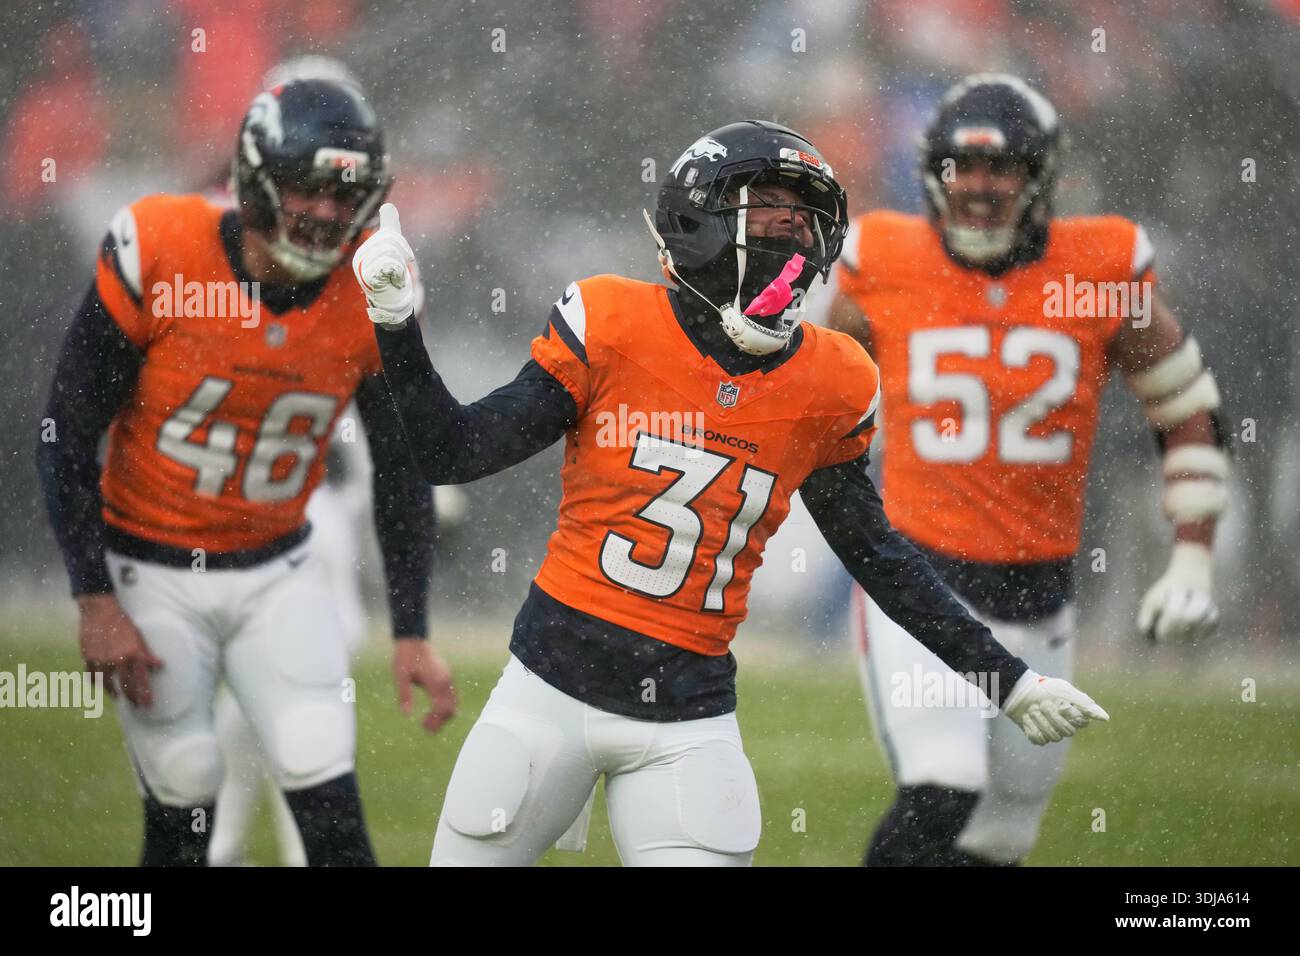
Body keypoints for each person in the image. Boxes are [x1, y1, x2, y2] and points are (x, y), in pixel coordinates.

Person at [350, 120, 1109, 867]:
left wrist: (1005, 679)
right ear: (699, 227)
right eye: (772, 224)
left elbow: (878, 556)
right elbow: (454, 450)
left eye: (806, 227)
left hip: (689, 717)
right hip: (548, 691)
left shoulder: (832, 379)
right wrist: (395, 325)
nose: (797, 248)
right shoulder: (613, 323)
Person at [37, 78, 456, 867]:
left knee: (326, 793)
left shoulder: (375, 286)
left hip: (277, 568)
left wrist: (411, 630)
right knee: (187, 787)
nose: (329, 212)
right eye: (310, 187)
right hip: (148, 566)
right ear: (258, 176)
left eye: (348, 193)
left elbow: (401, 469)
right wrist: (94, 599)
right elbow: (66, 433)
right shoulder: (160, 244)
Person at [826, 74, 1228, 866]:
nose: (976, 187)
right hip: (920, 581)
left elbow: (1186, 404)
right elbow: (817, 396)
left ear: (1042, 174)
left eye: (1001, 168)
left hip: (1042, 593)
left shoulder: (1104, 265)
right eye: (959, 167)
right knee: (943, 785)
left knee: (1002, 838)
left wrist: (1192, 553)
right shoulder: (882, 257)